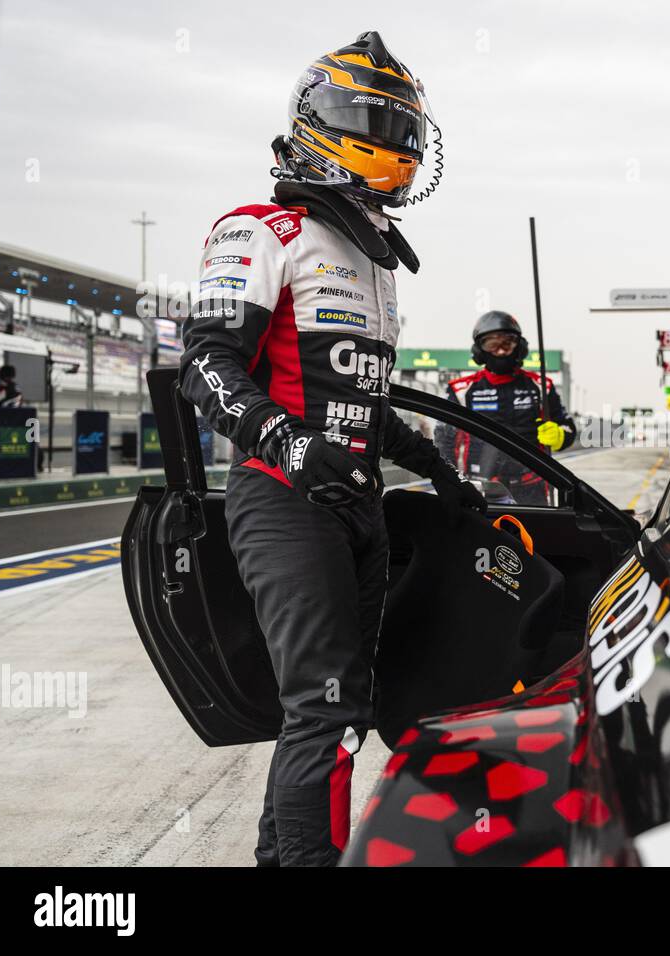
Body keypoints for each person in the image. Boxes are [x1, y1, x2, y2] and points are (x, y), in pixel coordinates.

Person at [179, 31, 484, 867]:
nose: (392, 146)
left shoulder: (375, 265)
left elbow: (367, 405)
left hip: (356, 504)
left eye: (400, 129)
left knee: (340, 711)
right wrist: (289, 444)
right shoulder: (262, 230)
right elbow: (203, 367)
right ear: (319, 123)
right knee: (325, 706)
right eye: (371, 124)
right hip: (282, 499)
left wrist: (436, 471)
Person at [437, 311, 576, 504]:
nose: (501, 351)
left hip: (531, 486)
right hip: (479, 487)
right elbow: (444, 441)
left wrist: (560, 435)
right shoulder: (461, 391)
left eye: (507, 343)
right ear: (479, 350)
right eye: (492, 344)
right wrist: (451, 482)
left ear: (519, 347)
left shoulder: (541, 386)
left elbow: (568, 427)